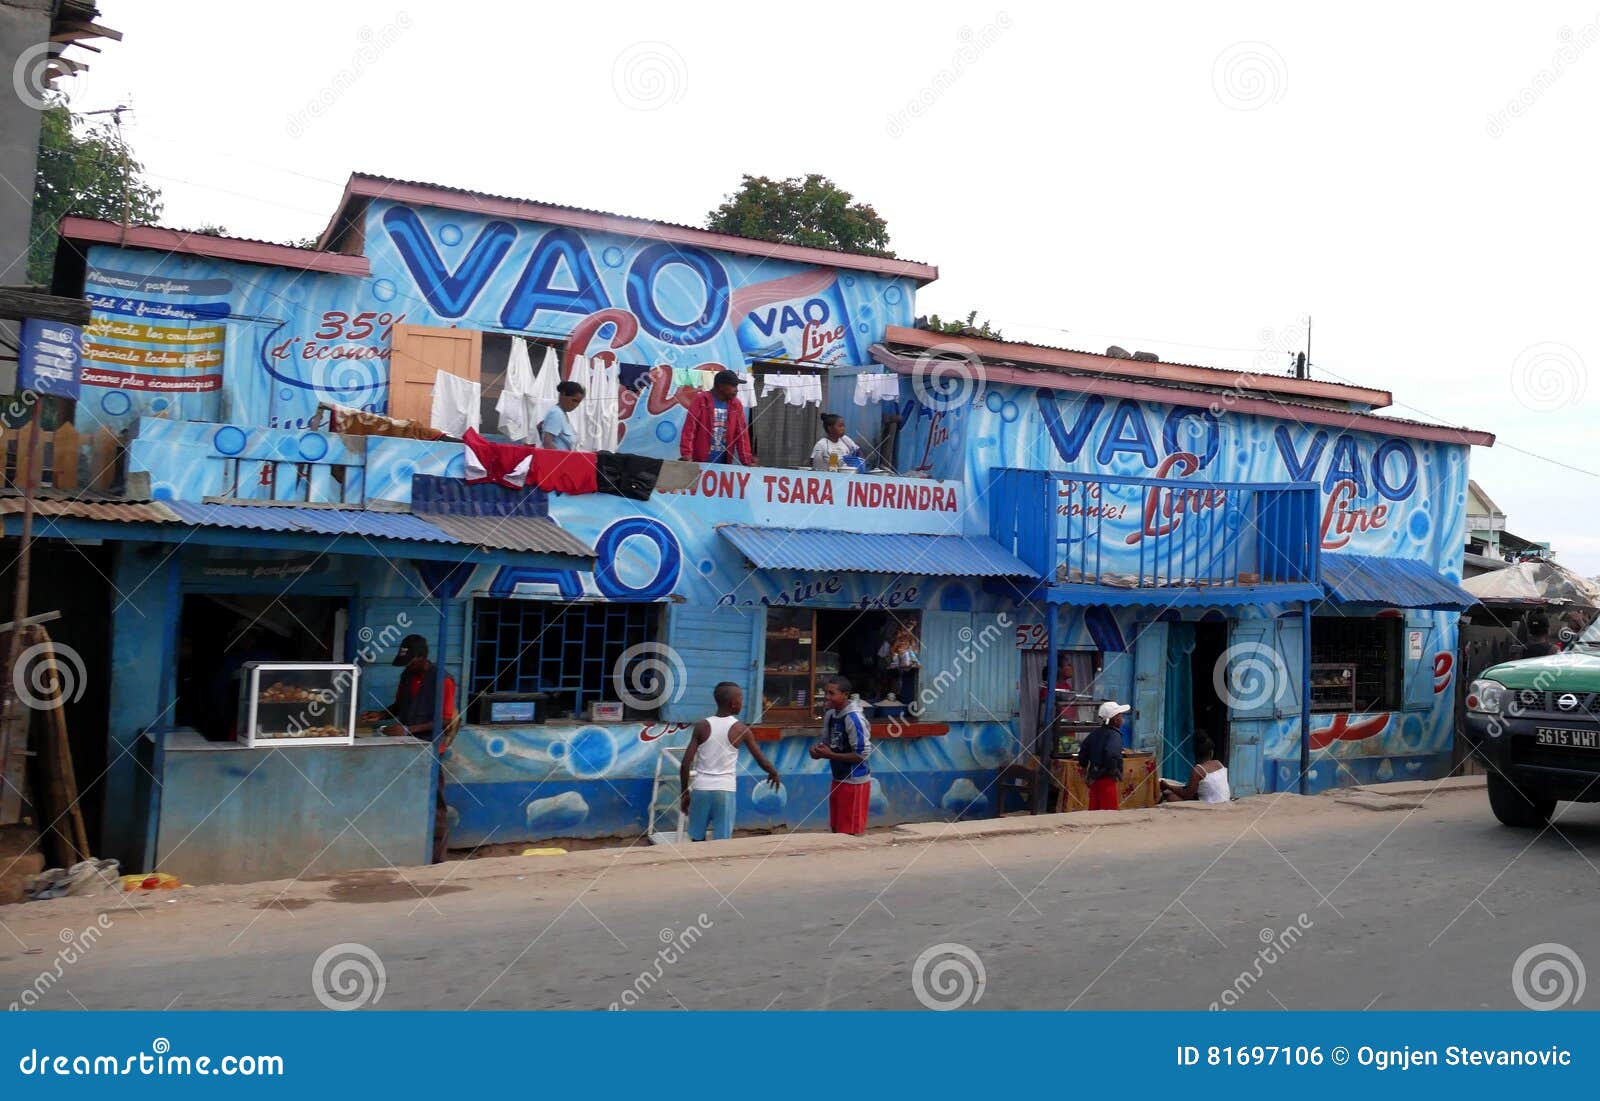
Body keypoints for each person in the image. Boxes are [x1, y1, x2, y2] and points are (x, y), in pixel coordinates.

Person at [359, 634, 458, 863]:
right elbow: (399, 705)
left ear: (422, 658)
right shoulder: (407, 675)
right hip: (405, 748)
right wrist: (382, 714)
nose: (408, 667)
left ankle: (436, 858)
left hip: (431, 749)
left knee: (435, 803)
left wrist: (407, 729)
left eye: (411, 662)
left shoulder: (443, 680)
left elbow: (444, 721)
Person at [678, 682, 781, 841]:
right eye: (741, 698)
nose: (742, 702)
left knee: (696, 841)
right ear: (733, 704)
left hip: (701, 789)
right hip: (725, 791)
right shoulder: (741, 729)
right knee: (722, 842)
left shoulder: (701, 726)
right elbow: (761, 760)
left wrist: (684, 793)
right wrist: (773, 772)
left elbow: (685, 764)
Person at [811, 676, 872, 835]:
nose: (827, 697)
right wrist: (817, 752)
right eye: (826, 693)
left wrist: (831, 755)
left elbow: (862, 755)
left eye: (831, 693)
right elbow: (827, 744)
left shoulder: (854, 718)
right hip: (838, 777)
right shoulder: (830, 715)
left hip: (855, 781)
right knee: (837, 829)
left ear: (845, 695)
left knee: (851, 832)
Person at [679, 370, 754, 465]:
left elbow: (741, 435)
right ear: (721, 386)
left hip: (724, 464)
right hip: (699, 462)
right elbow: (689, 429)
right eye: (733, 386)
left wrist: (747, 461)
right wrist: (687, 455)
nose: (736, 390)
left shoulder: (736, 404)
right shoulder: (701, 400)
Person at [1077, 700, 1128, 811]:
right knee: (1108, 813)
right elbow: (1112, 753)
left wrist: (1085, 767)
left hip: (1094, 779)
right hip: (1107, 780)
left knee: (1095, 811)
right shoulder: (1114, 735)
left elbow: (1083, 751)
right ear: (1115, 719)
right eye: (1120, 715)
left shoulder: (1095, 733)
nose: (1122, 718)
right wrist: (1114, 770)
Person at [1160, 733, 1231, 804]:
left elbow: (1187, 795)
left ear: (1194, 753)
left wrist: (1168, 786)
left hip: (1210, 804)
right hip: (1225, 800)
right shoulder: (1218, 763)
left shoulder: (1198, 770)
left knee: (1171, 797)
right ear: (1212, 752)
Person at [539, 380, 585, 450]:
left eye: (578, 402)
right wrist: (560, 459)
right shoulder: (556, 413)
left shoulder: (563, 414)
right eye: (574, 400)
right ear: (563, 395)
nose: (576, 405)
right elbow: (547, 443)